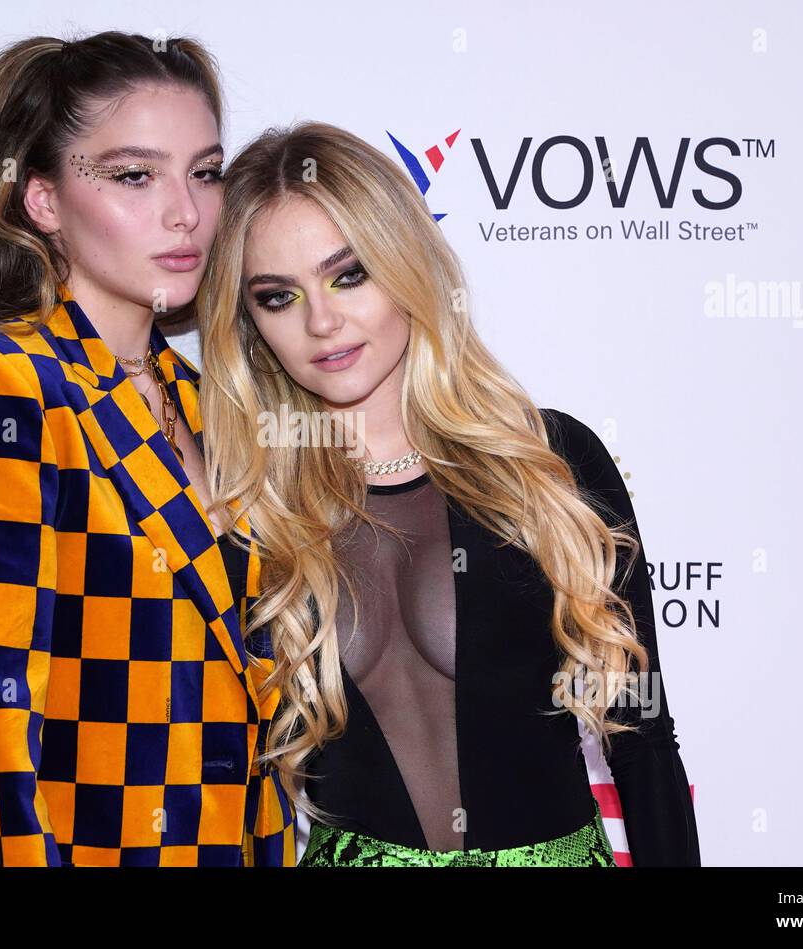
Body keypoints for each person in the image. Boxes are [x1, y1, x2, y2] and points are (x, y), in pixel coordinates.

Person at [194, 121, 701, 866]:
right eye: (277, 296)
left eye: (349, 274)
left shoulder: (548, 462)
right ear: (249, 323)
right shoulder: (245, 502)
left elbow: (642, 740)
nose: (322, 321)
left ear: (405, 263)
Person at [0, 32, 295, 867]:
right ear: (43, 201)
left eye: (204, 172)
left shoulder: (210, 405)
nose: (186, 212)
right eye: (134, 175)